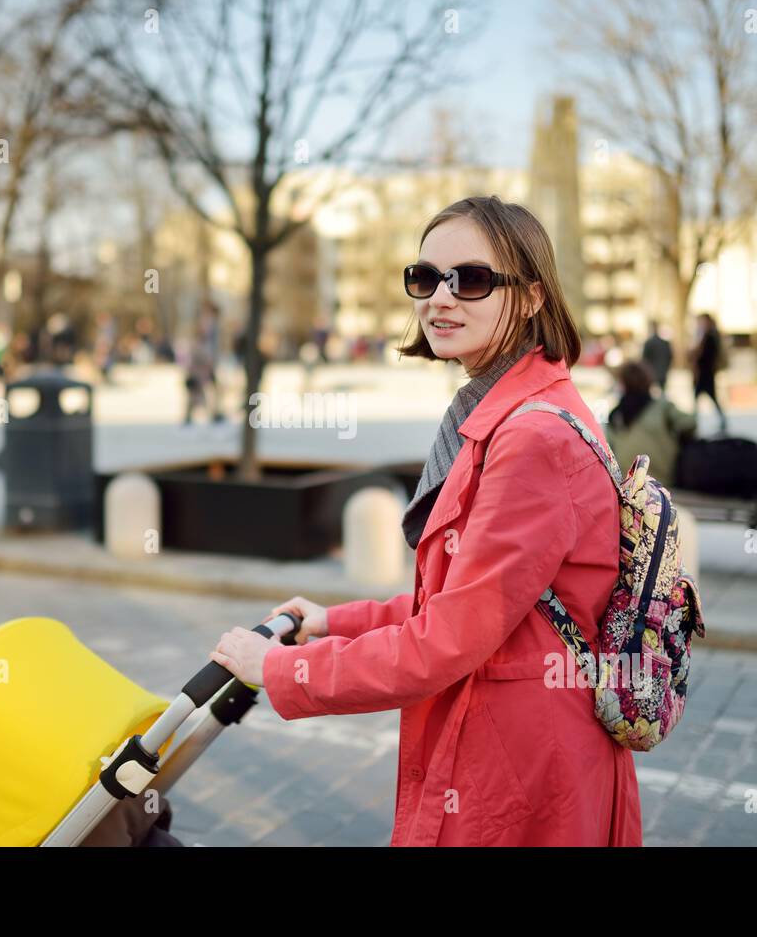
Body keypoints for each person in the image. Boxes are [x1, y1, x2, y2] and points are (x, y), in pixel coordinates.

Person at [209, 195, 641, 847]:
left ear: (529, 296)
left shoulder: (530, 439)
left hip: (518, 768)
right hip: (515, 740)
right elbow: (459, 602)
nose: (440, 298)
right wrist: (333, 621)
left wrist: (276, 669)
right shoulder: (512, 409)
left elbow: (444, 642)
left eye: (469, 280)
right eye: (424, 278)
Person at [605, 360, 696, 487]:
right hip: (662, 480)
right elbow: (691, 424)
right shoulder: (663, 407)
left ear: (623, 384)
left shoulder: (615, 415)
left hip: (626, 482)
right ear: (648, 382)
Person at [690, 312, 726, 431]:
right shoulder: (705, 335)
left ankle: (694, 421)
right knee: (699, 398)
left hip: (706, 373)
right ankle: (694, 421)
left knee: (707, 397)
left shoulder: (710, 336)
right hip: (704, 373)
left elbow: (705, 355)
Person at [641, 321, 673, 393]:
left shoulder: (649, 343)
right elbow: (670, 356)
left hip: (652, 372)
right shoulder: (664, 343)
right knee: (662, 391)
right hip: (663, 370)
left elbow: (644, 359)